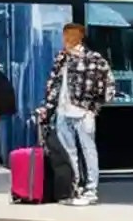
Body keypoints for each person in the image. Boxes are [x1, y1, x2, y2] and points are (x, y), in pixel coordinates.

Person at [36, 23, 115, 206]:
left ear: (78, 37)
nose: (65, 40)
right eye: (65, 36)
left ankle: (91, 189)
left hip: (82, 112)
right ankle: (74, 188)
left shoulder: (93, 59)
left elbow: (108, 86)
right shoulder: (62, 58)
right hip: (63, 112)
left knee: (88, 151)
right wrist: (48, 108)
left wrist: (93, 108)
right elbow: (53, 86)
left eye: (68, 36)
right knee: (69, 152)